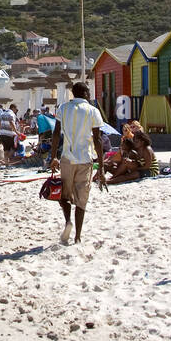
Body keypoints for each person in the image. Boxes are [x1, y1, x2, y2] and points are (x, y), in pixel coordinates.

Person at [50, 82, 107, 245]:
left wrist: (53, 157)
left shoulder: (63, 108)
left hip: (67, 158)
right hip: (86, 159)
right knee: (82, 199)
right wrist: (101, 167)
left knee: (64, 195)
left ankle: (68, 221)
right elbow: (97, 139)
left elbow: (56, 134)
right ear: (86, 94)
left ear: (73, 94)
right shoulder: (93, 111)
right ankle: (78, 237)